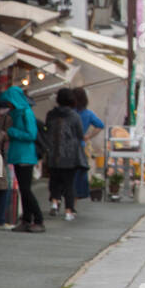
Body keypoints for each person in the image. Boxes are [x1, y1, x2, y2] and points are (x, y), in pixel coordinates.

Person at [0, 84, 46, 233]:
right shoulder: (16, 113)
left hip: (26, 155)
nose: (8, 104)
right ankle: (26, 220)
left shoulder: (26, 113)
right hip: (19, 155)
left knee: (26, 190)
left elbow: (31, 135)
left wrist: (12, 132)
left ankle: (38, 219)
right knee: (24, 190)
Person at [45, 87, 88, 222]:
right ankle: (69, 211)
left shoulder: (50, 114)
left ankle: (54, 202)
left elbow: (47, 129)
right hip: (70, 155)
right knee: (69, 184)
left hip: (53, 153)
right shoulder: (74, 116)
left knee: (54, 179)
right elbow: (80, 134)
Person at [73, 87, 105, 203]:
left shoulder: (69, 112)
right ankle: (73, 204)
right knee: (78, 175)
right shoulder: (88, 114)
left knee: (65, 174)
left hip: (65, 147)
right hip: (80, 146)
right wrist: (88, 136)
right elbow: (100, 125)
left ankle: (58, 201)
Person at [0, 103, 16, 230]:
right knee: (1, 187)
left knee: (1, 187)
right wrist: (2, 134)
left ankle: (0, 219)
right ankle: (0, 220)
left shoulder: (2, 119)